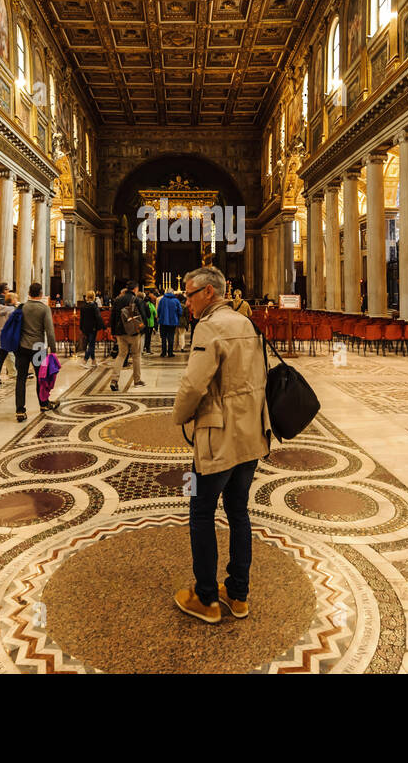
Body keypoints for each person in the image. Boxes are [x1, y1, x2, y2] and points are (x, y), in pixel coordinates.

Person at [170, 265, 270, 624]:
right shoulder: (247, 323)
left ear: (208, 293)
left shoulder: (209, 327)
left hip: (216, 438)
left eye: (189, 294)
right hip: (251, 437)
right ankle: (238, 594)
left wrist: (179, 416)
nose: (187, 301)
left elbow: (194, 385)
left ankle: (208, 599)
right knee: (239, 512)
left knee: (200, 512)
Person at [15, 281, 58, 423]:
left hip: (22, 347)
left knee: (20, 378)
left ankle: (20, 410)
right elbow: (50, 332)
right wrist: (53, 349)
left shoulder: (22, 307)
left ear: (29, 293)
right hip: (38, 347)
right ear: (40, 293)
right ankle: (44, 404)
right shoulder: (44, 309)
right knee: (41, 377)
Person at [108, 280, 145, 392]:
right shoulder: (137, 300)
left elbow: (113, 316)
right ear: (135, 289)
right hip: (133, 332)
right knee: (136, 355)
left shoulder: (118, 299)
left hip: (120, 332)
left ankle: (114, 380)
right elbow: (143, 316)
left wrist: (113, 331)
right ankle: (137, 380)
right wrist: (142, 330)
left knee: (121, 355)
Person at [0, 291, 19, 384]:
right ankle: (21, 373)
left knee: (1, 358)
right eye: (16, 298)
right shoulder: (12, 310)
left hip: (2, 335)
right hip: (11, 335)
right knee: (18, 356)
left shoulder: (1, 309)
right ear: (12, 300)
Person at [78, 290, 102, 366]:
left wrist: (81, 328)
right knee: (91, 345)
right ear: (94, 297)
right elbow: (98, 317)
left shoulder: (83, 306)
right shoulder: (94, 306)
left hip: (85, 328)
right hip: (93, 328)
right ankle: (84, 360)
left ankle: (94, 361)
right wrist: (102, 326)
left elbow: (81, 318)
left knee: (91, 344)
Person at [157, 288, 182, 357]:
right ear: (173, 293)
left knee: (163, 338)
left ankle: (163, 352)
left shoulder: (162, 300)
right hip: (173, 321)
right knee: (171, 337)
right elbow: (180, 311)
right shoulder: (176, 300)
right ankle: (170, 352)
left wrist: (159, 316)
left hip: (163, 321)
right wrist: (177, 317)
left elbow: (158, 310)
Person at [141, 289, 157, 354]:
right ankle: (148, 348)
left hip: (143, 323)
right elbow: (155, 314)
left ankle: (143, 348)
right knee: (148, 337)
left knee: (143, 337)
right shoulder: (151, 305)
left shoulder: (141, 304)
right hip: (150, 323)